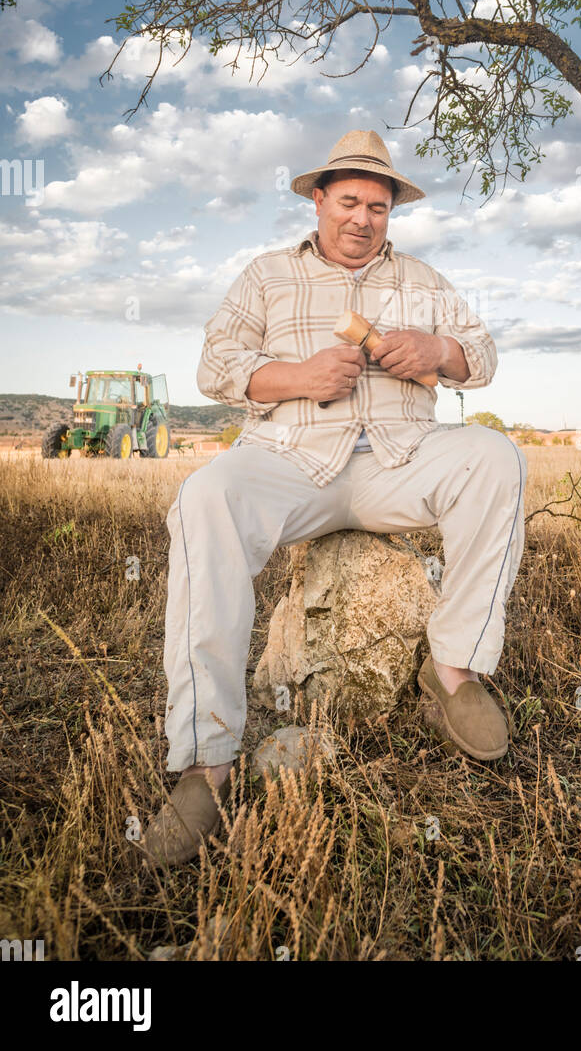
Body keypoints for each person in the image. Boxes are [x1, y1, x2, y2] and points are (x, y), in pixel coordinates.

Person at [142, 129, 527, 866]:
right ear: (317, 200)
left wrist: (437, 352)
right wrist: (298, 377)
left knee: (494, 456)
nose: (362, 218)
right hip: (288, 461)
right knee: (204, 495)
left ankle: (453, 668)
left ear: (391, 212)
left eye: (377, 207)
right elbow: (215, 367)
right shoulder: (264, 276)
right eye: (348, 201)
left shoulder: (421, 279)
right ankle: (206, 760)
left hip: (399, 460)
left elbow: (481, 357)